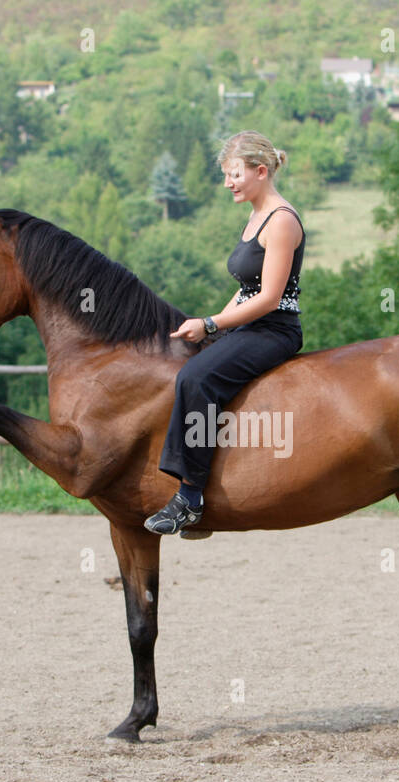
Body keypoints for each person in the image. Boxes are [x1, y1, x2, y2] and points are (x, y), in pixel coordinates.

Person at [145, 131, 306, 535]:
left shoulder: (281, 221)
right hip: (250, 324)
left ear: (261, 171)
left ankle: (191, 497)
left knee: (195, 377)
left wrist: (213, 325)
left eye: (234, 174)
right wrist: (211, 322)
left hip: (273, 330)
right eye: (226, 175)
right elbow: (246, 288)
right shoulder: (254, 218)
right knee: (182, 361)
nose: (227, 183)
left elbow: (269, 298)